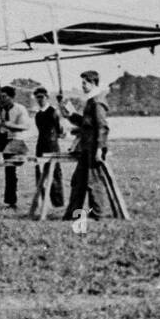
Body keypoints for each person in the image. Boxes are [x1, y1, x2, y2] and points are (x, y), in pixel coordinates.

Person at [61, 70, 110, 221]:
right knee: (78, 181)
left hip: (93, 148)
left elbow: (102, 127)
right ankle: (72, 214)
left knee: (93, 181)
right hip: (86, 147)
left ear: (93, 83)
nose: (82, 86)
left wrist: (100, 149)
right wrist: (70, 114)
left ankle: (98, 214)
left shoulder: (97, 102)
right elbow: (85, 123)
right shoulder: (91, 101)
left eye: (84, 83)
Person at [0, 85, 31, 209]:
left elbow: (25, 126)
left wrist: (10, 125)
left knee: (10, 171)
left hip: (16, 141)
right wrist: (1, 121)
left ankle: (11, 201)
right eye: (1, 97)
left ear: (12, 97)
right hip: (3, 140)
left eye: (5, 97)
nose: (2, 99)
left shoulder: (20, 109)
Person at [32, 86, 65, 208]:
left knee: (55, 174)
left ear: (47, 97)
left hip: (52, 146)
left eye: (41, 97)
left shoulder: (53, 111)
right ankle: (43, 202)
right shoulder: (38, 115)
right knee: (40, 174)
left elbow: (60, 131)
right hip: (40, 146)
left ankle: (58, 203)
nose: (39, 99)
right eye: (37, 97)